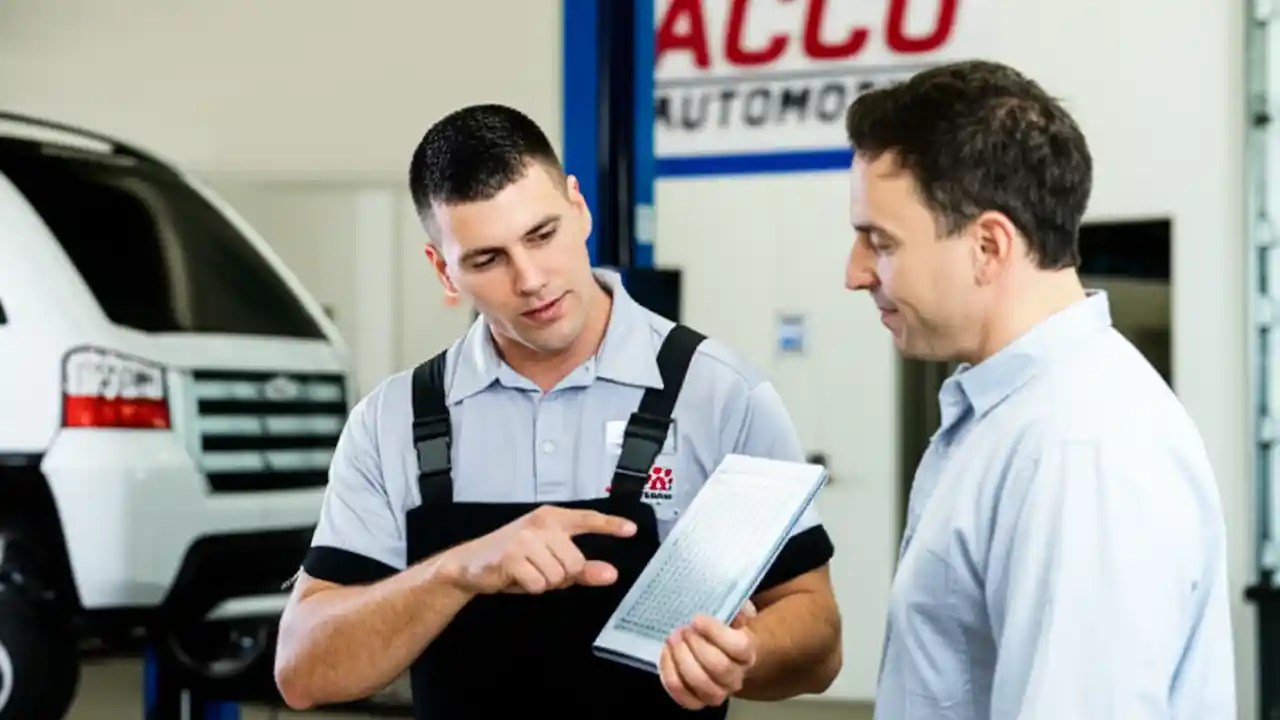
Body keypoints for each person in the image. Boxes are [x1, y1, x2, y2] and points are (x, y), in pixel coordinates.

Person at [273, 103, 843, 718]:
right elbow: (303, 674)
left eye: (542, 235)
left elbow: (819, 635)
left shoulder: (720, 396)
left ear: (579, 208)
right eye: (487, 259)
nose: (531, 280)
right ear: (443, 270)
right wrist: (458, 570)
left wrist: (747, 652)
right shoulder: (393, 423)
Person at [842, 60, 1236, 719]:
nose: (855, 274)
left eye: (880, 242)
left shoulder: (1078, 448)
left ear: (989, 246)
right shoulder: (1010, 420)